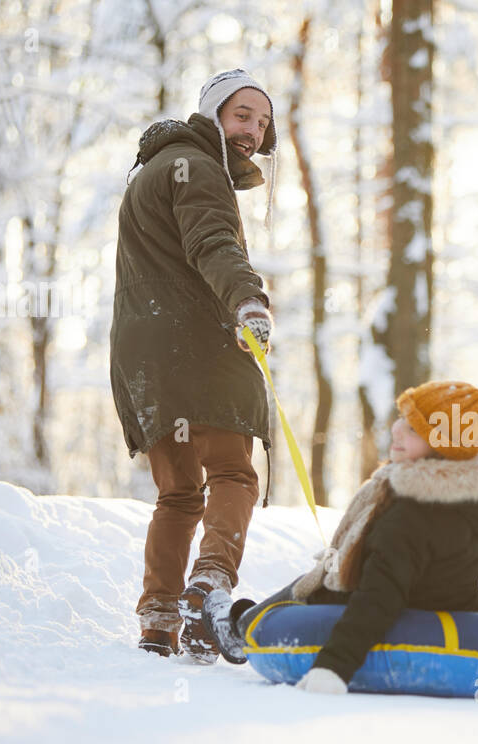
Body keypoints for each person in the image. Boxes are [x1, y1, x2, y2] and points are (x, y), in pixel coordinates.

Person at [196, 381, 478, 693]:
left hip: (381, 605)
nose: (396, 429)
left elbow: (380, 595)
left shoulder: (411, 514)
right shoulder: (476, 500)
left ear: (444, 446)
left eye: (413, 428)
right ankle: (239, 620)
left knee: (313, 587)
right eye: (401, 419)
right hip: (440, 603)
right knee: (316, 577)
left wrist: (334, 667)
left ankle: (237, 630)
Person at [110, 68, 280, 659]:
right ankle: (209, 587)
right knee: (233, 473)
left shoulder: (153, 170)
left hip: (143, 359)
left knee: (178, 494)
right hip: (197, 345)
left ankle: (159, 620)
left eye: (262, 122)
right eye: (242, 115)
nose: (253, 131)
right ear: (212, 114)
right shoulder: (198, 165)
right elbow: (213, 242)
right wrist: (247, 300)